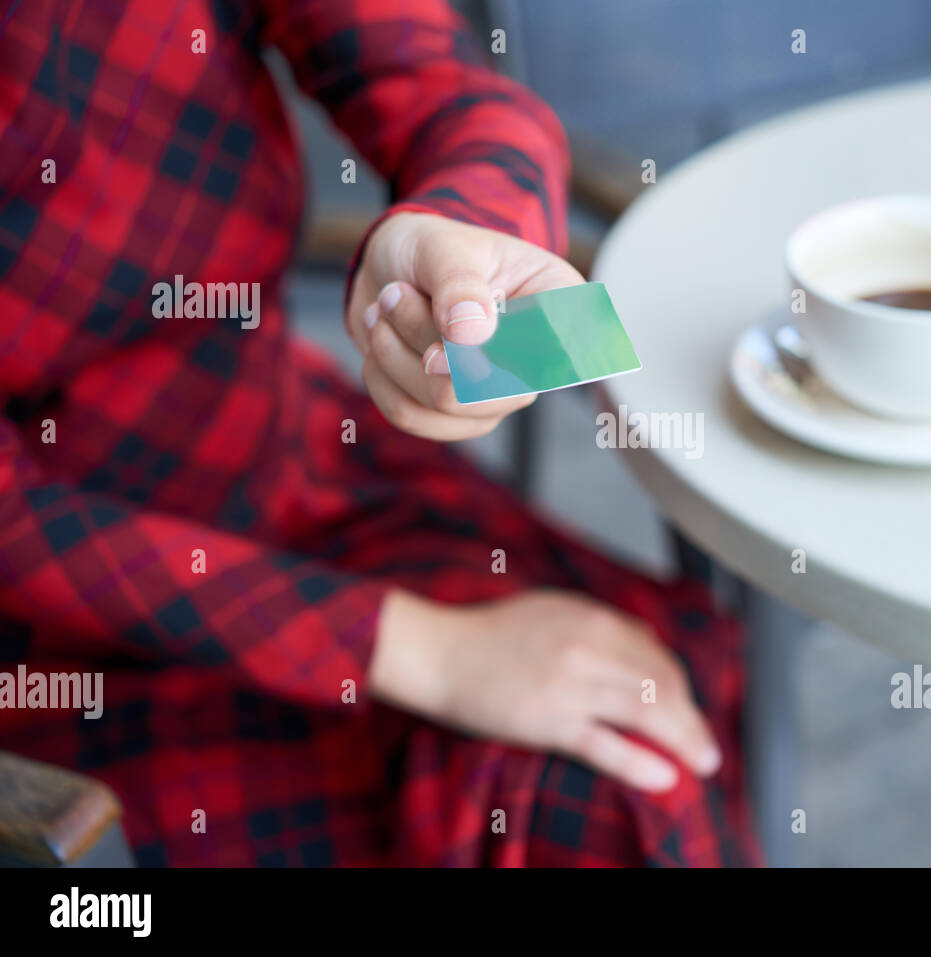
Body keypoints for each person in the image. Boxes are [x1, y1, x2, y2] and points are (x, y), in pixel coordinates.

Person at [0, 0, 757, 866]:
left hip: (290, 465)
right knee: (589, 781)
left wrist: (466, 237)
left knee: (643, 721)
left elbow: (437, 79)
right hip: (58, 652)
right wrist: (426, 652)